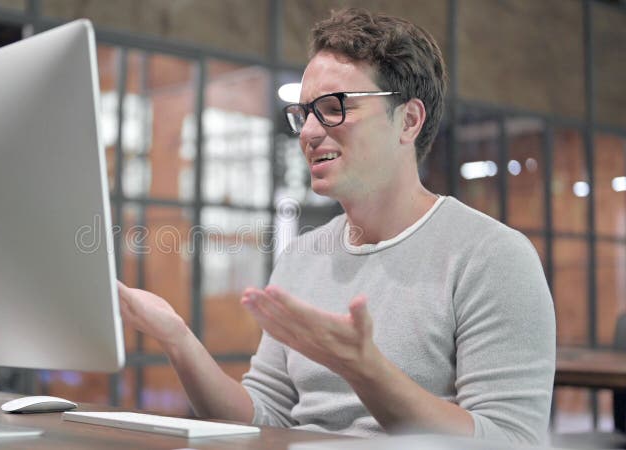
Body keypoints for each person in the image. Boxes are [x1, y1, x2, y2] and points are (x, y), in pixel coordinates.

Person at [117, 8, 555, 445]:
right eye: (305, 112)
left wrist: (365, 370)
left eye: (333, 108)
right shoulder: (302, 255)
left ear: (408, 120)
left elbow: (510, 441)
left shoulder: (493, 256)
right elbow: (266, 415)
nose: (307, 131)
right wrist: (176, 338)